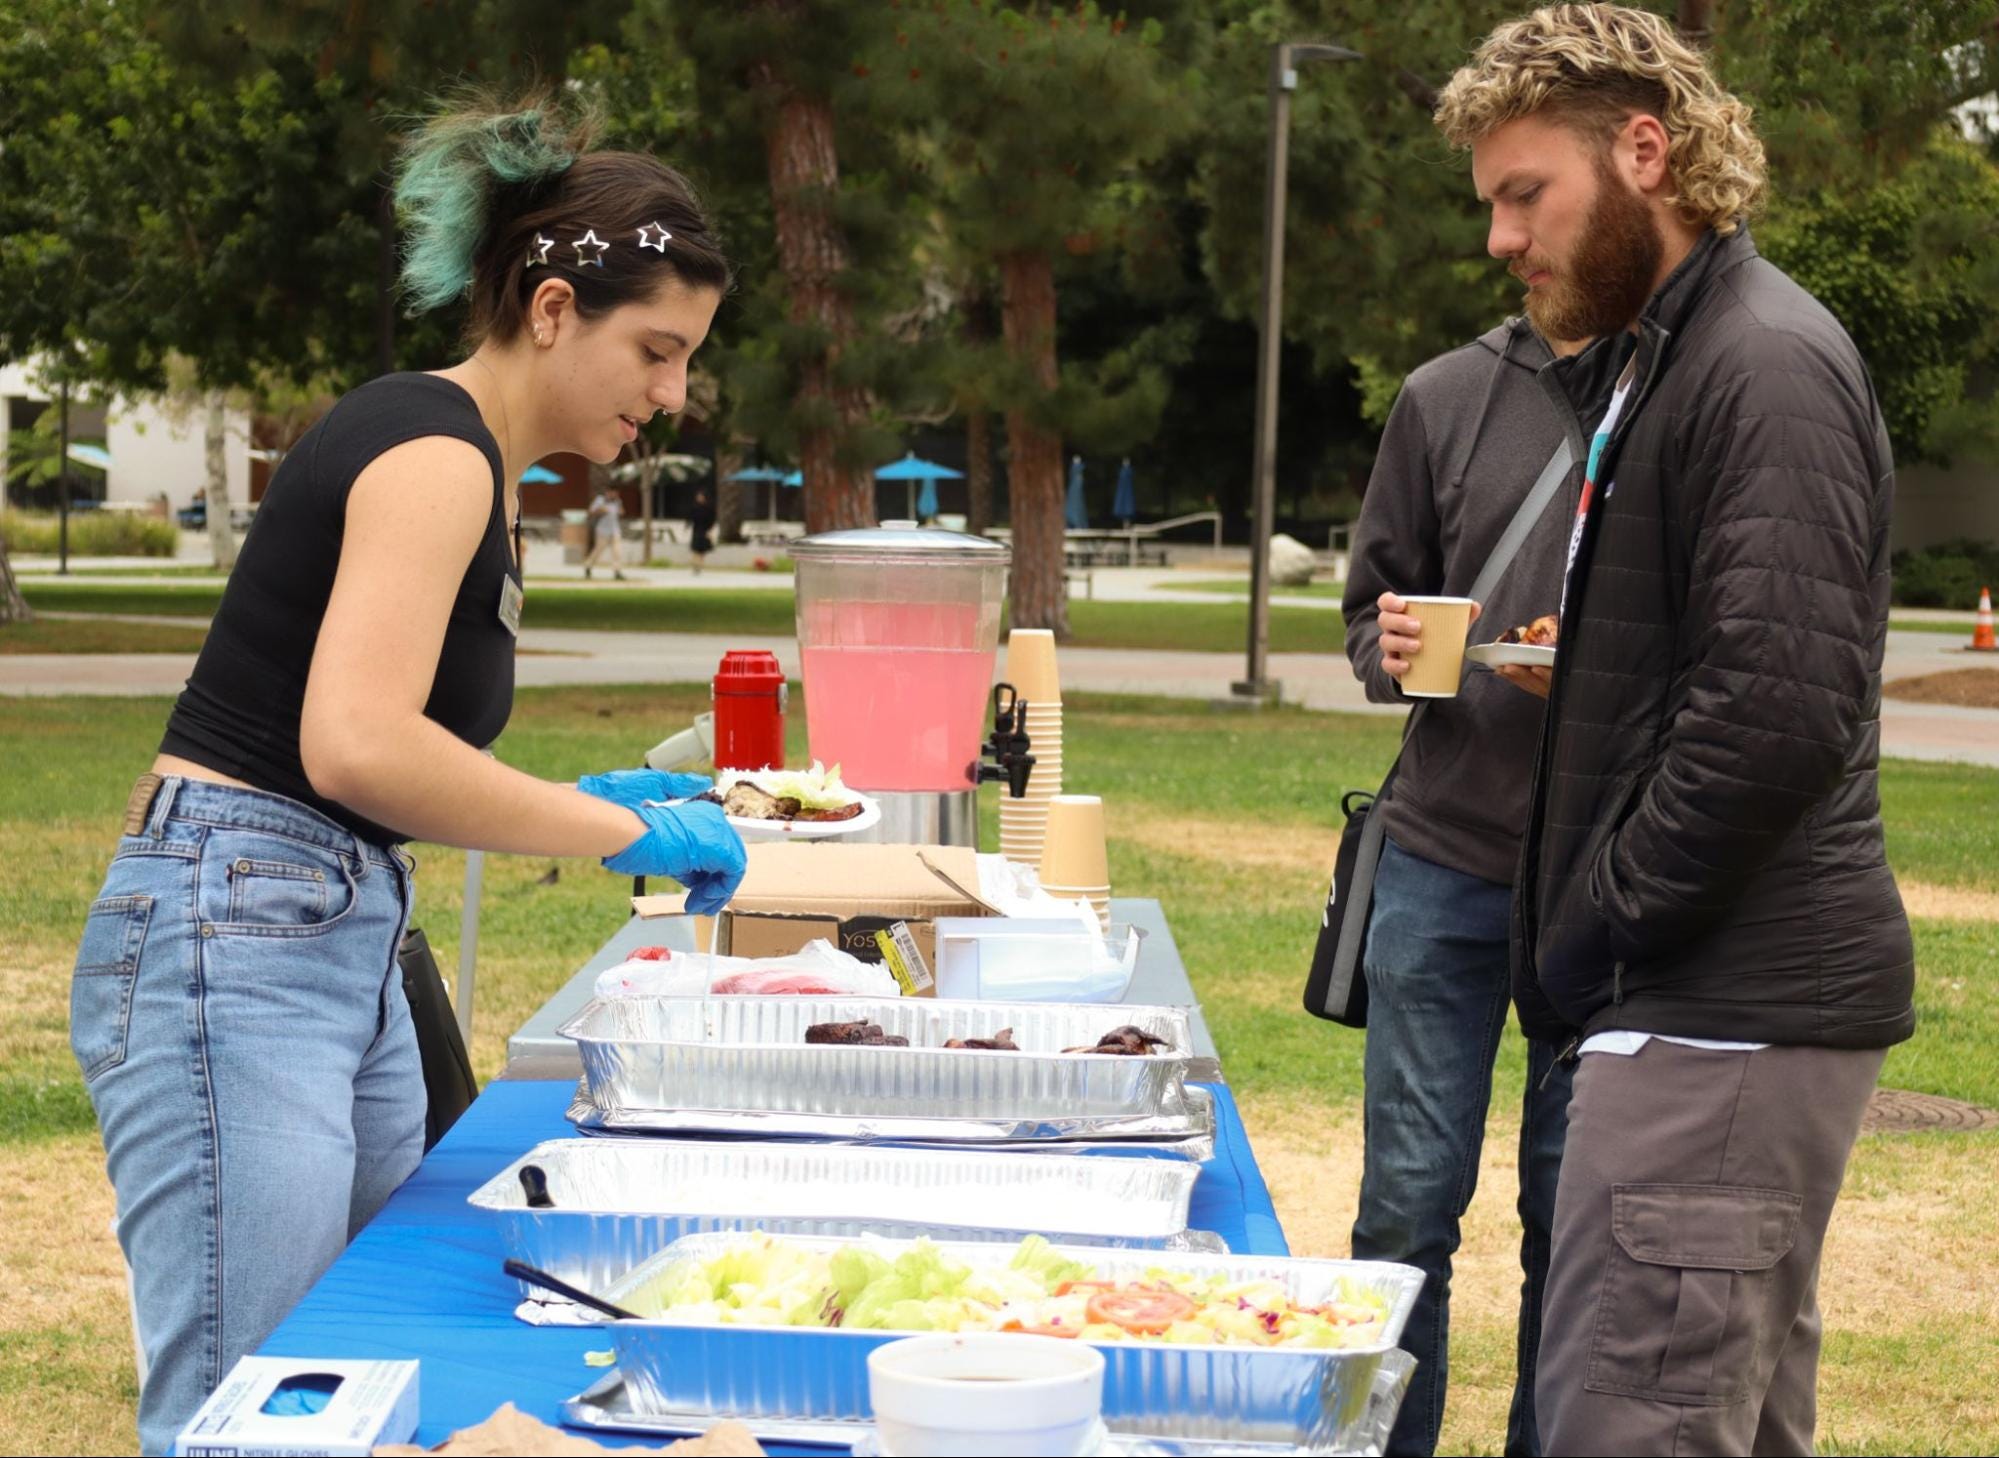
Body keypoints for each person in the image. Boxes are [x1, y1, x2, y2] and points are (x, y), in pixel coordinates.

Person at [69, 92, 749, 1454]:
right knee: (250, 1412)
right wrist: (609, 822)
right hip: (238, 929)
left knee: (375, 1355)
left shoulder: (467, 463)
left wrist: (585, 798)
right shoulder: (436, 451)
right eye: (657, 350)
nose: (671, 396)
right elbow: (355, 743)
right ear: (552, 307)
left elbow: (380, 753)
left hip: (319, 921)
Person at [1433, 7, 1915, 1453]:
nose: (1499, 242)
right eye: (1491, 205)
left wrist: (1600, 927)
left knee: (1623, 1421)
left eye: (1525, 195)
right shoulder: (1670, 353)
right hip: (1705, 1005)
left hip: (1718, 1006)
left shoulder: (1757, 363)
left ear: (1643, 151)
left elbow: (1771, 714)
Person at [1342, 315, 1586, 1457]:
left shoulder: (1679, 389)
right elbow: (1368, 612)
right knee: (1403, 1213)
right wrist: (1386, 647)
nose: (1512, 241)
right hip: (1438, 862)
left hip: (1598, 883)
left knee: (1571, 1223)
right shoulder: (1445, 395)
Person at [584, 483, 627, 579]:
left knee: (617, 552)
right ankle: (588, 566)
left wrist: (620, 510)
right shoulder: (600, 500)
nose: (615, 495)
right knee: (598, 550)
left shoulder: (618, 501)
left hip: (615, 530)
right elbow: (591, 512)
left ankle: (617, 572)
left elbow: (621, 512)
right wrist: (601, 510)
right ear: (608, 492)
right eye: (613, 493)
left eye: (616, 493)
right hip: (602, 531)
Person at [688, 487, 715, 574]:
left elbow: (712, 520)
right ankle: (695, 565)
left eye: (701, 497)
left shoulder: (709, 508)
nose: (699, 498)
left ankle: (699, 565)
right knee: (695, 549)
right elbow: (690, 518)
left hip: (705, 530)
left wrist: (710, 531)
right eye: (698, 497)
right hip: (696, 530)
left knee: (703, 550)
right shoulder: (694, 507)